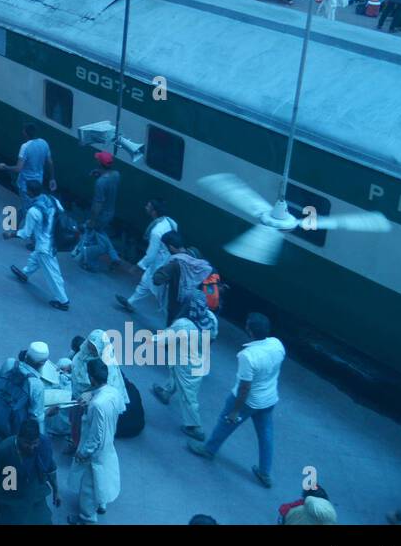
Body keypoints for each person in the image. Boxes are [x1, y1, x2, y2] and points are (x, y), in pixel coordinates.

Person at [188, 313, 284, 488]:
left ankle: (209, 449)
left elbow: (244, 388)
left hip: (248, 401)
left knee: (225, 424)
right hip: (269, 399)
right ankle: (264, 472)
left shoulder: (248, 355)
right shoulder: (277, 345)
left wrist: (235, 411)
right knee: (266, 435)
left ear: (249, 330)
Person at [150, 291, 218, 441]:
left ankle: (195, 427)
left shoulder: (184, 324)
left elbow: (162, 339)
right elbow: (213, 338)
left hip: (186, 362)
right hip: (200, 358)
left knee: (188, 395)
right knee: (175, 374)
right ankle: (166, 392)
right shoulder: (212, 318)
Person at [68, 358, 124, 524]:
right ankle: (102, 504)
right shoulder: (114, 392)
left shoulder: (97, 405)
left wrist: (83, 452)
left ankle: (87, 518)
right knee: (103, 478)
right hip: (109, 443)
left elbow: (96, 436)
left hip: (94, 451)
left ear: (91, 378)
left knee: (88, 488)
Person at [0, 417, 60, 524]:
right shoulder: (4, 450)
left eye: (35, 443)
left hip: (34, 498)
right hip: (7, 503)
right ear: (19, 437)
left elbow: (51, 469)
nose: (31, 447)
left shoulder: (43, 447)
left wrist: (56, 491)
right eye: (27, 443)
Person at [7, 181, 70, 311]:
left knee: (53, 274)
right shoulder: (52, 200)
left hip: (44, 246)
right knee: (35, 257)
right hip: (53, 240)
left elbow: (25, 233)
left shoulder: (33, 211)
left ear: (30, 193)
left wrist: (11, 234)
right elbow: (61, 212)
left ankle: (63, 301)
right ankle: (25, 273)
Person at [117, 199, 178, 315]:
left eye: (148, 206)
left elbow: (151, 255)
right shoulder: (171, 222)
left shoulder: (156, 231)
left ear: (154, 211)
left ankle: (170, 323)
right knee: (146, 281)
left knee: (162, 295)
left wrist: (138, 266)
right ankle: (130, 302)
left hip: (160, 264)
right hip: (166, 260)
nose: (145, 207)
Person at [74, 151, 122, 270]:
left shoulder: (100, 182)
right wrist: (100, 173)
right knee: (100, 233)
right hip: (110, 211)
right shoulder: (116, 175)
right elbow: (108, 178)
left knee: (93, 234)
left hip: (101, 214)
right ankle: (115, 257)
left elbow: (97, 204)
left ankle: (91, 262)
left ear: (99, 163)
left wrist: (92, 219)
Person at [0, 124, 55, 208]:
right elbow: (50, 163)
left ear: (26, 134)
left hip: (26, 185)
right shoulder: (44, 143)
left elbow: (18, 168)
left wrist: (5, 166)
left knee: (27, 208)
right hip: (38, 182)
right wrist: (52, 178)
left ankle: (24, 218)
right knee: (33, 204)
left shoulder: (25, 147)